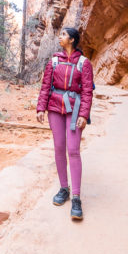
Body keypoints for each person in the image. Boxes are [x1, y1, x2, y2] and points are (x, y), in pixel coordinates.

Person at [36, 26, 94, 221]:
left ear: (72, 39)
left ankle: (76, 197)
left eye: (63, 34)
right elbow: (45, 86)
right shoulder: (54, 61)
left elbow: (87, 91)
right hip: (54, 108)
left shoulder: (84, 63)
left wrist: (84, 115)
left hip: (74, 108)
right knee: (59, 148)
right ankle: (64, 189)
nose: (60, 37)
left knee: (73, 150)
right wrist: (40, 108)